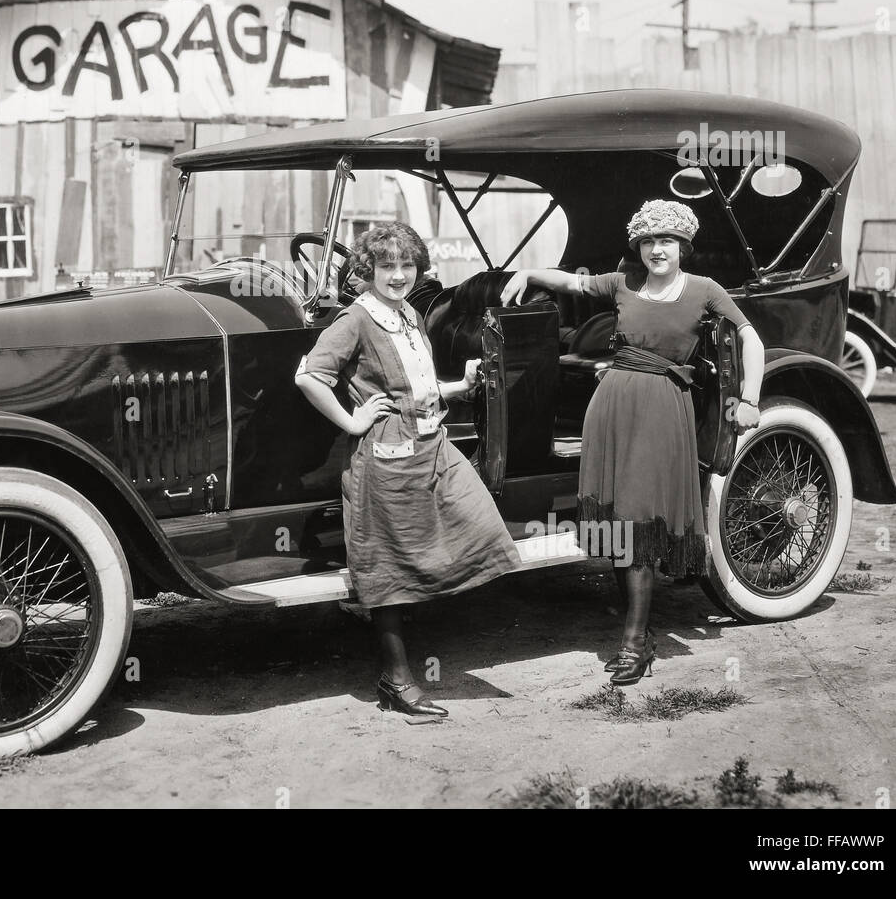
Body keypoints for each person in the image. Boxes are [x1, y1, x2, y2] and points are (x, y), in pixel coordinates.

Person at [501, 199, 765, 684]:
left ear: (683, 246)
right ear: (638, 248)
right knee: (620, 521)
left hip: (664, 407)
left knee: (640, 518)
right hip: (612, 407)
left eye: (665, 241)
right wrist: (530, 273)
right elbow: (574, 282)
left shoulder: (705, 290)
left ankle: (634, 642)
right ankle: (637, 639)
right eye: (647, 242)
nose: (656, 250)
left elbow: (751, 338)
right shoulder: (623, 283)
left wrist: (749, 397)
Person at [295, 221, 522, 718]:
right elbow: (310, 376)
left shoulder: (409, 314)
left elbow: (414, 388)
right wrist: (353, 420)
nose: (398, 275)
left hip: (432, 445)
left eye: (406, 265)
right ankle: (396, 680)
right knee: (390, 568)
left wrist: (458, 386)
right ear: (368, 270)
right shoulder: (357, 319)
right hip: (387, 457)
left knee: (482, 526)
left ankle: (404, 632)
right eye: (387, 266)